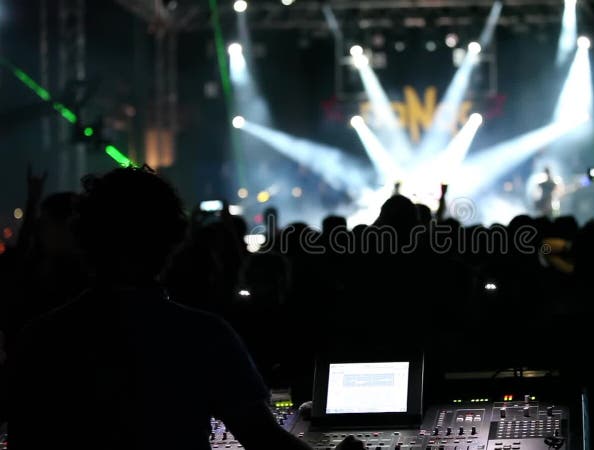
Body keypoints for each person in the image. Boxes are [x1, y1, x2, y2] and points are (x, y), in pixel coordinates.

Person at [8, 167, 363, 450]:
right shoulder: (204, 336)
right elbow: (265, 440)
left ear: (84, 240)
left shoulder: (37, 338)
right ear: (174, 241)